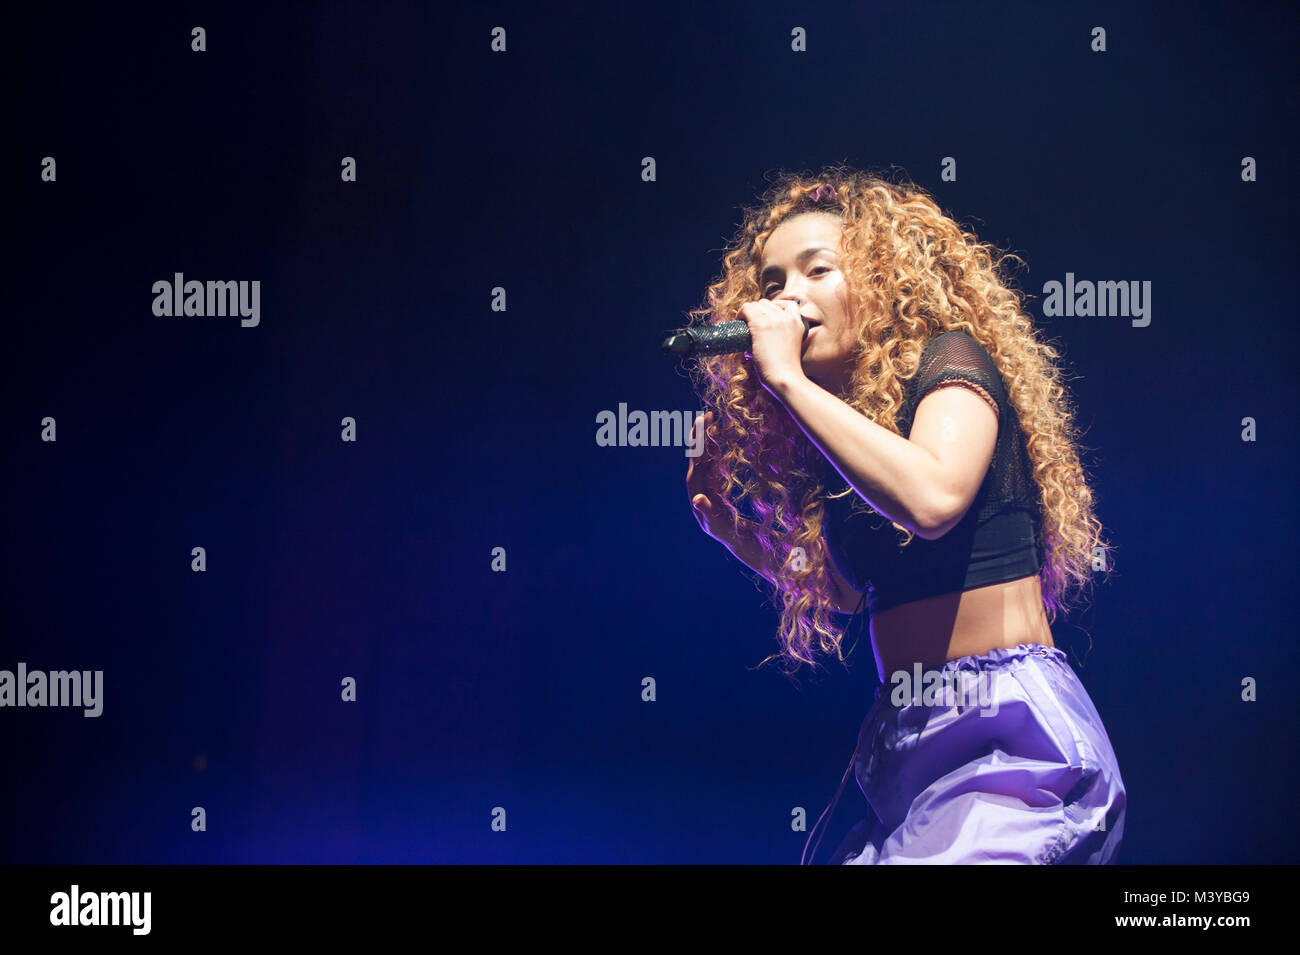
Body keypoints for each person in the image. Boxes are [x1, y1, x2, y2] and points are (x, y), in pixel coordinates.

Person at [683, 166, 1126, 864]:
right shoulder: (840, 436)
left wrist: (789, 380)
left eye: (817, 270)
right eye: (771, 285)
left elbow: (933, 499)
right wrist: (738, 535)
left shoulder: (950, 362)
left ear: (882, 280)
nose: (787, 296)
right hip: (910, 743)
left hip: (1006, 733)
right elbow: (848, 590)